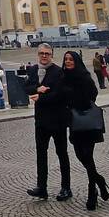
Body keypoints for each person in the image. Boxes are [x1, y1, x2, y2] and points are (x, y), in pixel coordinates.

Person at [61, 51, 109, 211]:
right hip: (74, 123)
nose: (68, 62)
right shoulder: (63, 78)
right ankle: (100, 181)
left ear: (76, 61)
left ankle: (92, 192)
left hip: (87, 122)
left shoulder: (84, 77)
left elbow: (93, 94)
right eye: (66, 59)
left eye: (71, 59)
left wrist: (81, 104)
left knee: (88, 157)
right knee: (81, 156)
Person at [25, 44, 71, 201]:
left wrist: (41, 97)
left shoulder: (59, 72)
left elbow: (60, 95)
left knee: (62, 154)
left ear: (52, 55)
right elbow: (27, 88)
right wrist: (39, 89)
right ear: (38, 54)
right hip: (41, 121)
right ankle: (41, 188)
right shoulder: (32, 70)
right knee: (41, 154)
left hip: (57, 120)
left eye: (47, 53)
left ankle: (66, 187)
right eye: (41, 53)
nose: (44, 56)